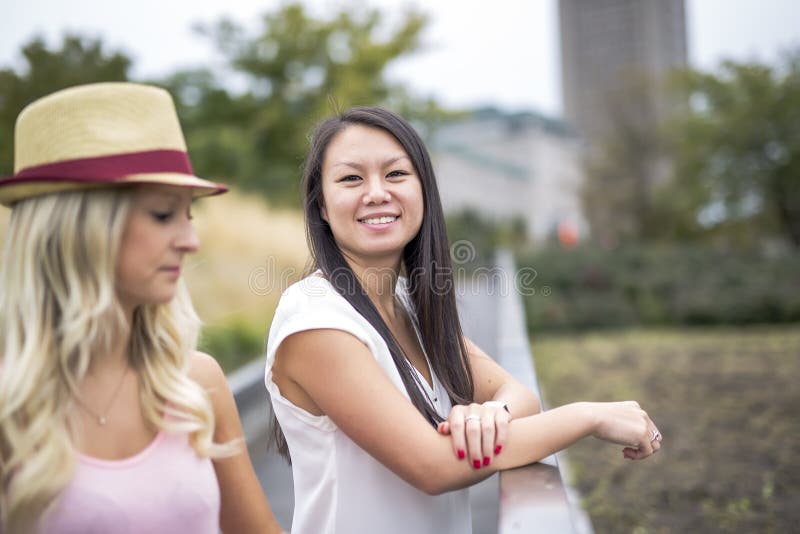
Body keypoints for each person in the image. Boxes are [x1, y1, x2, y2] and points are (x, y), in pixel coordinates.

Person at [265, 106, 663, 533]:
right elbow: (433, 466)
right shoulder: (315, 319)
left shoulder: (410, 306)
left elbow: (519, 396)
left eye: (396, 174)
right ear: (321, 205)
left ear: (424, 191)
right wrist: (588, 416)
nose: (377, 192)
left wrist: (490, 416)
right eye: (351, 178)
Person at [0, 83, 283, 534]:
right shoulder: (10, 406)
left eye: (188, 215)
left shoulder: (196, 384)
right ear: (82, 228)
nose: (191, 241)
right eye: (162, 215)